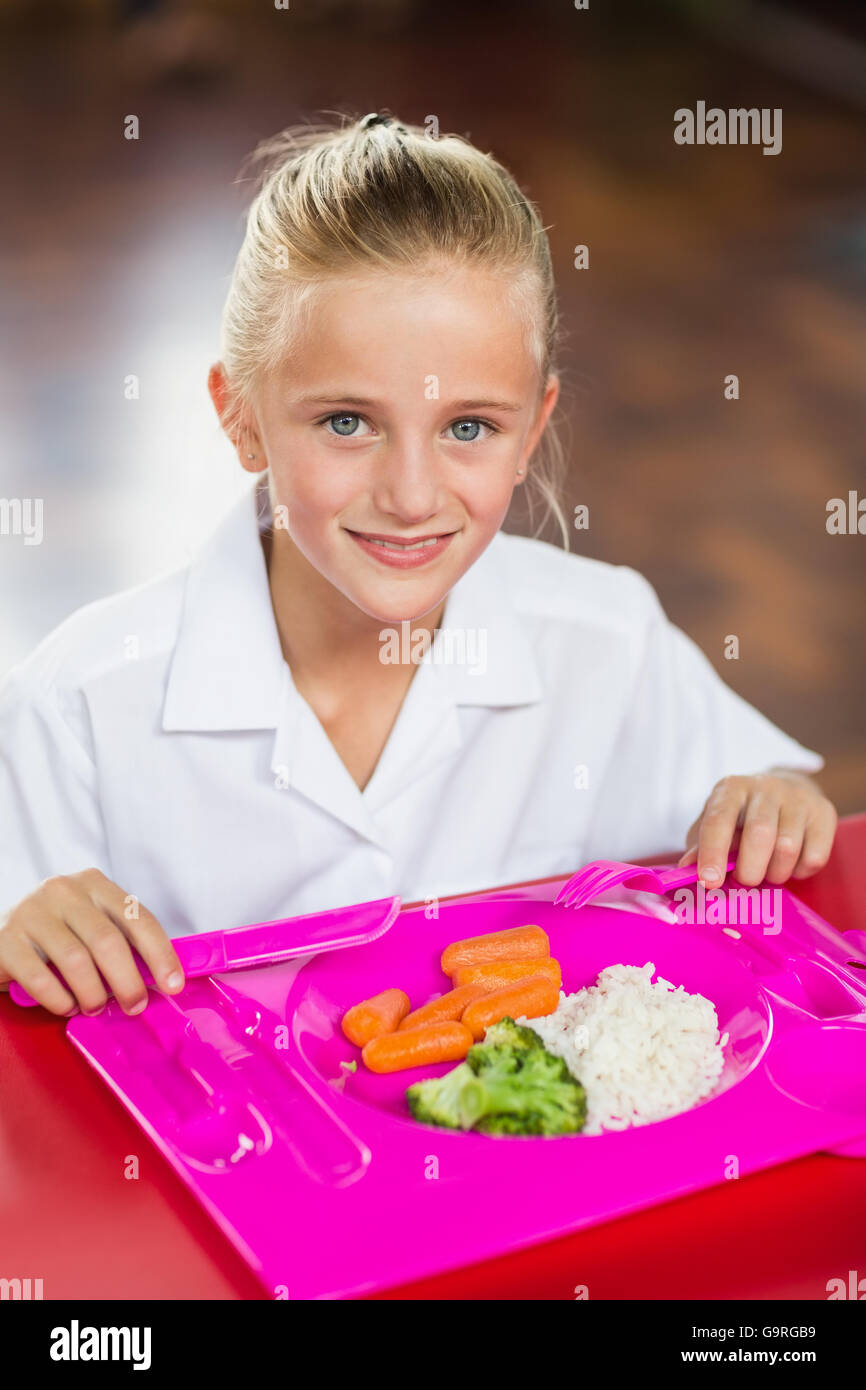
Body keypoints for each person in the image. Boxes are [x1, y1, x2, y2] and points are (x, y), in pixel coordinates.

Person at [0, 113, 836, 1020]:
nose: (409, 494)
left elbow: (767, 802)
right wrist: (17, 929)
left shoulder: (608, 639)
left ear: (535, 428)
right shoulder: (79, 703)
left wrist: (774, 806)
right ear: (239, 416)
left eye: (468, 429)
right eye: (347, 423)